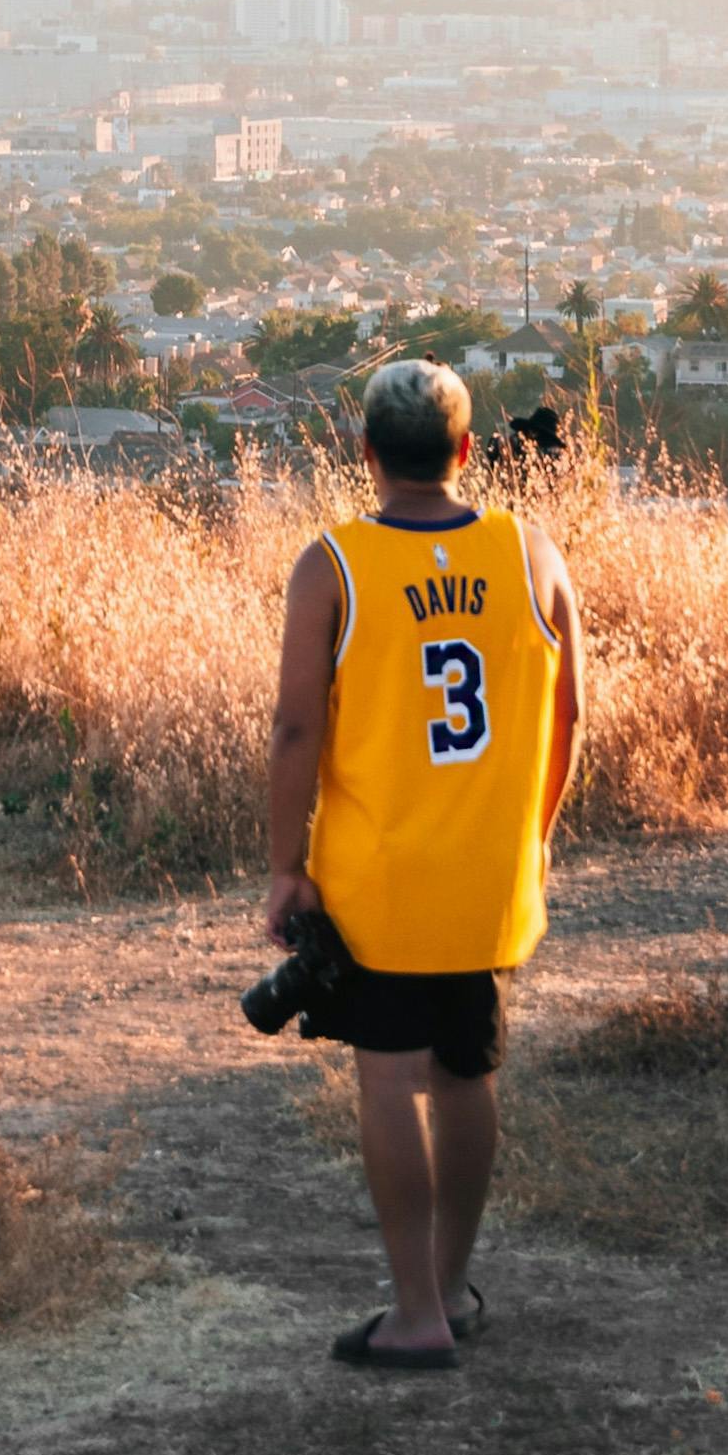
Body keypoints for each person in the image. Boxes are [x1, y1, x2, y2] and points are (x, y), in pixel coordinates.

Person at [264, 355, 584, 1371]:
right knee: (467, 1072)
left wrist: (286, 868)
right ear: (461, 449)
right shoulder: (529, 550)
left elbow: (295, 732)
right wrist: (534, 831)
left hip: (383, 877)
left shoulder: (336, 566)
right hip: (490, 873)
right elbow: (572, 711)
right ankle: (451, 1284)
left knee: (389, 1079)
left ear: (365, 453)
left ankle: (415, 1313)